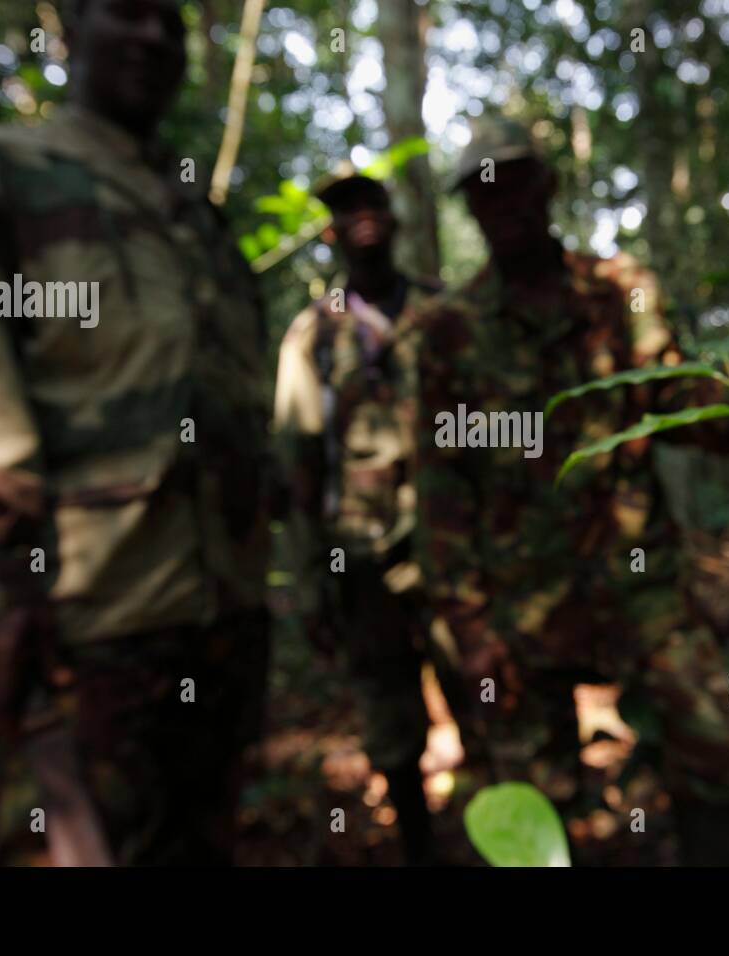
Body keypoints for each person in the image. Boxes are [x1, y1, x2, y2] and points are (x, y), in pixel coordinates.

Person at [0, 0, 272, 865]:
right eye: (127, 13)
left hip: (223, 612)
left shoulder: (197, 216)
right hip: (88, 624)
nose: (151, 38)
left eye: (170, 24)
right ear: (73, 28)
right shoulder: (3, 173)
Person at [415, 116, 729, 865]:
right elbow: (443, 491)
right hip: (522, 605)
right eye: (483, 191)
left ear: (545, 186)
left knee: (718, 756)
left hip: (642, 590)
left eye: (515, 182)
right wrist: (470, 627)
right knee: (527, 807)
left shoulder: (619, 290)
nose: (502, 202)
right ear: (469, 210)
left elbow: (676, 404)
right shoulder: (451, 331)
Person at [273, 167, 444, 864]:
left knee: (485, 689)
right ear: (330, 232)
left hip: (451, 544)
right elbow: (300, 467)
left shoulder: (442, 313)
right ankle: (420, 847)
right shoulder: (312, 336)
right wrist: (310, 582)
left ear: (395, 218)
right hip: (361, 558)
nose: (361, 218)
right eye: (345, 210)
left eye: (371, 203)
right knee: (389, 709)